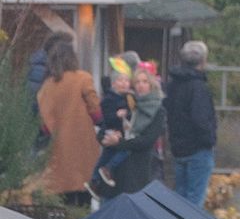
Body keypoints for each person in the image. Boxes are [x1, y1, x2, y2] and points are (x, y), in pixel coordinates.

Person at [36, 39, 101, 206]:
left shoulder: (47, 86)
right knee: (85, 189)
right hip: (83, 144)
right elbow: (95, 110)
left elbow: (44, 124)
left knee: (64, 195)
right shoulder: (83, 78)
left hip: (59, 146)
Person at [96, 68, 166, 198]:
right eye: (137, 82)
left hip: (140, 170)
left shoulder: (158, 110)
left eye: (145, 82)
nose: (140, 85)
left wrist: (119, 143)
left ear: (151, 84)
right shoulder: (127, 103)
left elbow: (147, 140)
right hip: (116, 171)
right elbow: (104, 127)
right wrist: (105, 138)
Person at [165, 40, 217, 207]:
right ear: (203, 61)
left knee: (180, 199)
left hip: (178, 148)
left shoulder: (173, 85)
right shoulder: (198, 87)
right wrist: (210, 140)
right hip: (198, 150)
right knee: (195, 201)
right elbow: (200, 119)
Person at [86, 58, 134, 195]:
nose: (124, 84)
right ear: (113, 83)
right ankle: (107, 170)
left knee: (107, 154)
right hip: (111, 130)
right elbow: (106, 118)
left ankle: (95, 179)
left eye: (126, 81)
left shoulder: (128, 98)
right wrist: (117, 116)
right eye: (120, 80)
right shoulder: (109, 99)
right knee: (120, 152)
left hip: (120, 131)